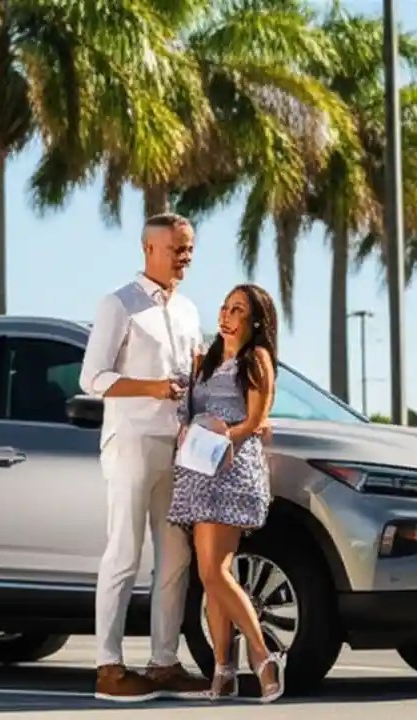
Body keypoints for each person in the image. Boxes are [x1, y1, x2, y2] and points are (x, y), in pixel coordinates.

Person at [78, 213, 213, 702]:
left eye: (190, 248)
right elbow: (92, 378)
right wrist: (152, 388)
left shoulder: (189, 310)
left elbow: (195, 377)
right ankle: (108, 668)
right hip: (131, 443)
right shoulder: (119, 303)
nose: (186, 257)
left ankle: (164, 663)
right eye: (178, 248)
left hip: (179, 448)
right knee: (124, 552)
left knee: (176, 557)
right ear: (149, 249)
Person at [166, 283, 285, 703]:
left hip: (231, 468)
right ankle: (223, 672)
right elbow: (192, 409)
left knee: (215, 572)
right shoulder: (207, 359)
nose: (226, 316)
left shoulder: (257, 359)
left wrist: (217, 438)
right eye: (224, 307)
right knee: (211, 575)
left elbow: (254, 421)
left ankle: (263, 656)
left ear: (256, 321)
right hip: (200, 469)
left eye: (237, 310)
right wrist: (189, 430)